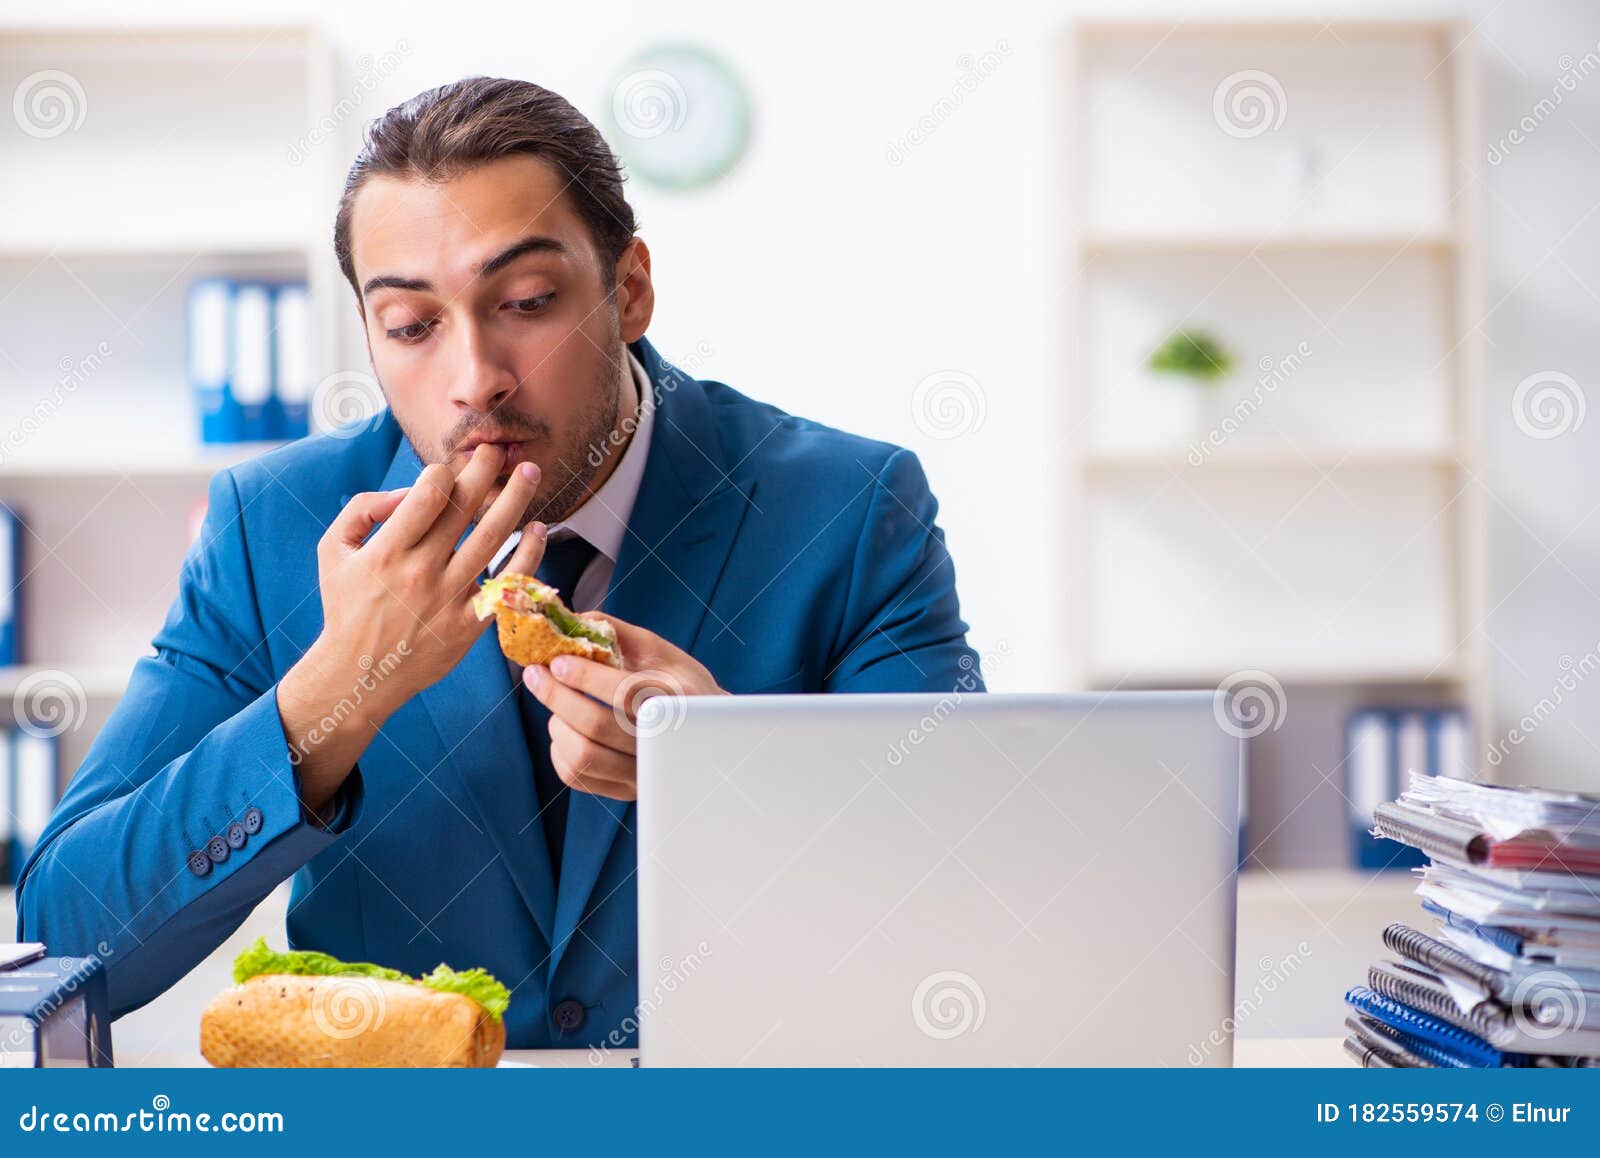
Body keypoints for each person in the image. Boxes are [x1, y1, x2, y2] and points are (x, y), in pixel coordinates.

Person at [16, 77, 982, 1049]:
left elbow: (973, 903)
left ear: (629, 290)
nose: (475, 379)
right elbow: (64, 936)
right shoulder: (269, 527)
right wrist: (336, 694)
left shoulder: (852, 512)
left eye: (525, 301)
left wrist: (736, 782)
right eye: (411, 326)